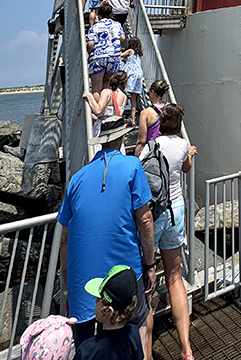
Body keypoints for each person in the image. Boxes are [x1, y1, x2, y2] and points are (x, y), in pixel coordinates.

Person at [57, 117, 156, 360]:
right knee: (142, 321)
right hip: (123, 278)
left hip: (84, 285)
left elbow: (64, 240)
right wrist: (151, 264)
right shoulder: (132, 166)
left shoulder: (77, 179)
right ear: (122, 137)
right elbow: (145, 220)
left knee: (88, 349)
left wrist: (69, 288)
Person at [140, 104, 197, 360]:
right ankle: (186, 349)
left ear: (161, 122)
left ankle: (147, 354)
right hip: (176, 211)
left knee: (148, 285)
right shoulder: (183, 145)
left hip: (153, 216)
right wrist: (190, 153)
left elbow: (139, 173)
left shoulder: (153, 146)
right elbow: (186, 168)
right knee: (175, 278)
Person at [77, 265, 143, 360]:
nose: (95, 301)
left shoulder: (86, 351)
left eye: (99, 299)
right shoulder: (133, 333)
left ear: (108, 311)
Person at [87, 2, 125, 94]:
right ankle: (107, 107)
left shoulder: (94, 27)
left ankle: (97, 108)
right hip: (113, 56)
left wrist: (89, 53)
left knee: (96, 89)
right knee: (107, 87)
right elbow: (122, 37)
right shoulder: (117, 25)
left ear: (98, 14)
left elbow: (90, 44)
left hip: (98, 57)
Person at [84, 70, 128, 139]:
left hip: (103, 130)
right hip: (116, 132)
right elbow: (111, 115)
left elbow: (98, 110)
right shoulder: (124, 98)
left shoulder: (107, 92)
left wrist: (89, 96)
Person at [135, 80, 170, 158]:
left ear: (153, 92)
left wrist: (136, 157)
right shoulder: (171, 109)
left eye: (149, 93)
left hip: (153, 153)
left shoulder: (145, 113)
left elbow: (141, 141)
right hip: (169, 150)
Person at [121, 38, 144, 124]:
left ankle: (120, 112)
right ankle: (133, 119)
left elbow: (121, 55)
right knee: (133, 99)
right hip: (138, 74)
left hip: (131, 74)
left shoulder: (130, 51)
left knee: (122, 91)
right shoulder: (139, 54)